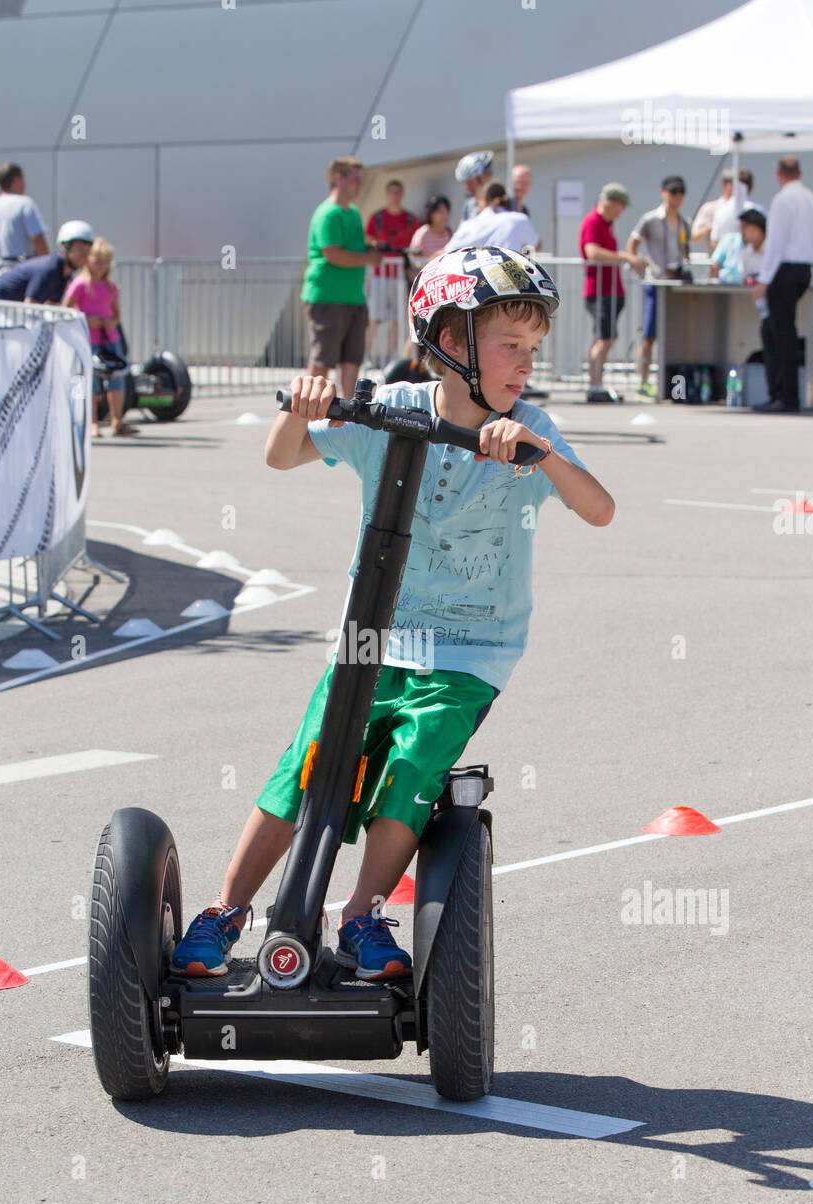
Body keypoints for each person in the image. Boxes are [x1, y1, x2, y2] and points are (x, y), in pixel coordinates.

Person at [170, 246, 615, 981]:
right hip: (372, 634)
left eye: (532, 348)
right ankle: (226, 911)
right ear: (449, 342)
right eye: (510, 345)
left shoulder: (532, 428)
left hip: (472, 650)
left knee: (410, 768)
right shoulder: (394, 409)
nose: (526, 362)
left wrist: (541, 455)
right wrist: (304, 405)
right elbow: (283, 456)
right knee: (311, 762)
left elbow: (599, 510)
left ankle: (361, 915)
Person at [300, 156, 383, 402]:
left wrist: (371, 247)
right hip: (327, 296)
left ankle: (347, 417)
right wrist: (369, 258)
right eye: (354, 179)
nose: (359, 184)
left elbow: (353, 246)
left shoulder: (353, 212)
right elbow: (332, 253)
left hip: (353, 297)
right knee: (322, 361)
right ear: (338, 179)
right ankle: (310, 413)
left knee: (351, 359)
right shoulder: (327, 213)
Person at [751, 156, 813, 413]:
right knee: (778, 330)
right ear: (799, 172)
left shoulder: (782, 200)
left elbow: (775, 243)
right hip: (804, 269)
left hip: (784, 270)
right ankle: (783, 392)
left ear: (780, 174)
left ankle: (784, 395)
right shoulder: (810, 197)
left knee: (780, 333)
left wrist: (764, 280)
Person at [63, 237, 138, 439]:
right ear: (88, 260)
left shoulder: (110, 287)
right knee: (91, 382)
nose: (100, 266)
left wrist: (111, 322)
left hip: (109, 338)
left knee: (117, 380)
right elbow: (66, 310)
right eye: (97, 261)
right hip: (88, 339)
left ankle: (117, 421)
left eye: (104, 262)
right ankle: (93, 423)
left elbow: (116, 313)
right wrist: (88, 321)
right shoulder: (79, 285)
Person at [626, 175, 692, 399]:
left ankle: (674, 385)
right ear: (663, 192)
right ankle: (644, 381)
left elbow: (686, 249)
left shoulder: (684, 222)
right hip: (655, 282)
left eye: (681, 192)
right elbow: (632, 243)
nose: (677, 197)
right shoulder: (651, 219)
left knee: (675, 335)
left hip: (675, 284)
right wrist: (637, 264)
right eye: (673, 192)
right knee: (649, 333)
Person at [579, 184, 645, 402]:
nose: (621, 212)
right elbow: (592, 252)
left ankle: (598, 383)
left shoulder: (607, 224)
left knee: (606, 338)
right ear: (613, 203)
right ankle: (594, 385)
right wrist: (625, 257)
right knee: (604, 339)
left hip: (610, 290)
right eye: (621, 207)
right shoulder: (593, 221)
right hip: (600, 291)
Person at [364, 179, 421, 365]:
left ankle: (392, 356)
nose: (395, 196)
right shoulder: (378, 217)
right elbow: (368, 237)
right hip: (380, 274)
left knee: (397, 318)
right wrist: (376, 245)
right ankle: (366, 356)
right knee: (374, 317)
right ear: (388, 195)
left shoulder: (411, 219)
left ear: (402, 195)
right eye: (392, 192)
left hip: (399, 276)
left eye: (399, 192)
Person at [0, 162, 48, 292]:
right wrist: (48, 271)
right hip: (19, 276)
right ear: (16, 180)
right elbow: (38, 239)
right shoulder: (25, 204)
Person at [0, 220, 94, 303]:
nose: (85, 255)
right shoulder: (50, 268)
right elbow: (31, 305)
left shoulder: (63, 275)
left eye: (88, 250)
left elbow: (51, 307)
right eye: (81, 249)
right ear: (65, 246)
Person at [443, 183, 539, 256]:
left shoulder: (471, 225)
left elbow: (447, 251)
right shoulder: (520, 219)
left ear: (484, 199)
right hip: (513, 277)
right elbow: (536, 244)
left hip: (482, 279)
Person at [709, 167, 766, 248]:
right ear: (752, 187)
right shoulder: (760, 210)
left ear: (732, 186)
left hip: (727, 259)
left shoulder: (721, 210)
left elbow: (714, 242)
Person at [710, 208, 766, 284]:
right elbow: (715, 266)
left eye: (752, 230)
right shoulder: (729, 240)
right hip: (725, 286)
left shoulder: (768, 251)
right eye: (743, 226)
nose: (745, 230)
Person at [407, 195, 453, 270]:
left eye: (445, 211)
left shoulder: (451, 233)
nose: (443, 215)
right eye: (439, 211)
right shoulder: (422, 234)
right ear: (431, 213)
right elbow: (412, 258)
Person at [691, 169, 733, 248]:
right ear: (724, 185)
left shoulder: (746, 209)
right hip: (715, 258)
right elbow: (694, 237)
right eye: (733, 184)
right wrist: (709, 227)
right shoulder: (711, 208)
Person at [456, 150, 494, 222]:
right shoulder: (469, 206)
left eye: (470, 183)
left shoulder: (504, 202)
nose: (467, 188)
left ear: (485, 177)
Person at [511, 164, 541, 249]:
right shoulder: (502, 209)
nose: (520, 187)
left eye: (525, 183)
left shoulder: (525, 210)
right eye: (517, 182)